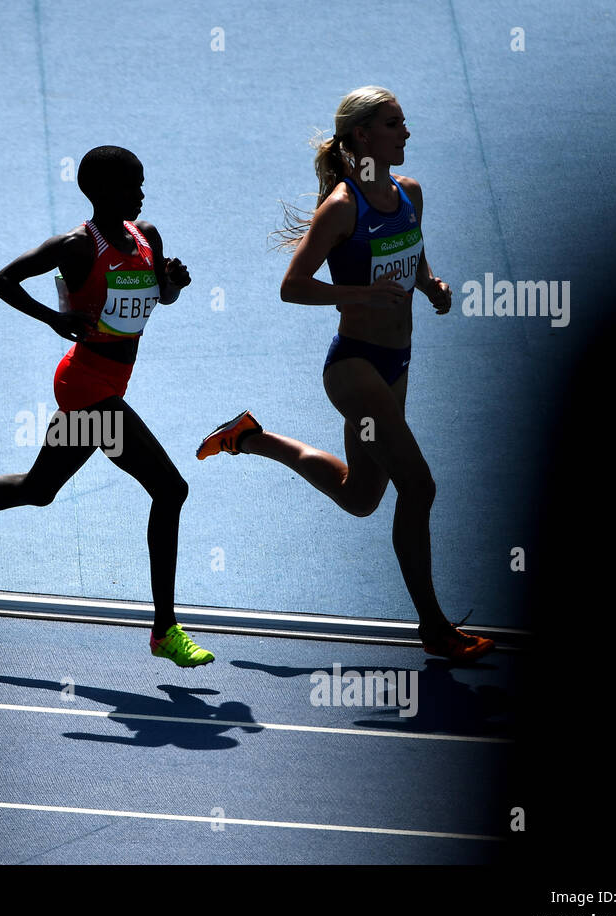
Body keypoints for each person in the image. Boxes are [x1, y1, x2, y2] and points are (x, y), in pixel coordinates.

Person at [197, 87, 493, 661]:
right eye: (394, 124)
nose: (406, 133)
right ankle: (433, 628)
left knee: (360, 497)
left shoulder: (410, 193)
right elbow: (292, 287)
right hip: (353, 367)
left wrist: (428, 283)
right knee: (420, 485)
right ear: (362, 138)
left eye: (404, 122)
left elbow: (413, 252)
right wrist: (362, 293)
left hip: (397, 363)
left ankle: (249, 437)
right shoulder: (342, 207)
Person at [0, 146, 214, 667]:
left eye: (142, 184)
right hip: (86, 386)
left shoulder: (147, 236)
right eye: (133, 185)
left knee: (37, 489)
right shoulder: (75, 248)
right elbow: (2, 281)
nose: (142, 193)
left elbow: (160, 299)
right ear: (102, 192)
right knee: (171, 488)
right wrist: (51, 318)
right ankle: (164, 630)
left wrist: (171, 284)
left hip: (110, 382)